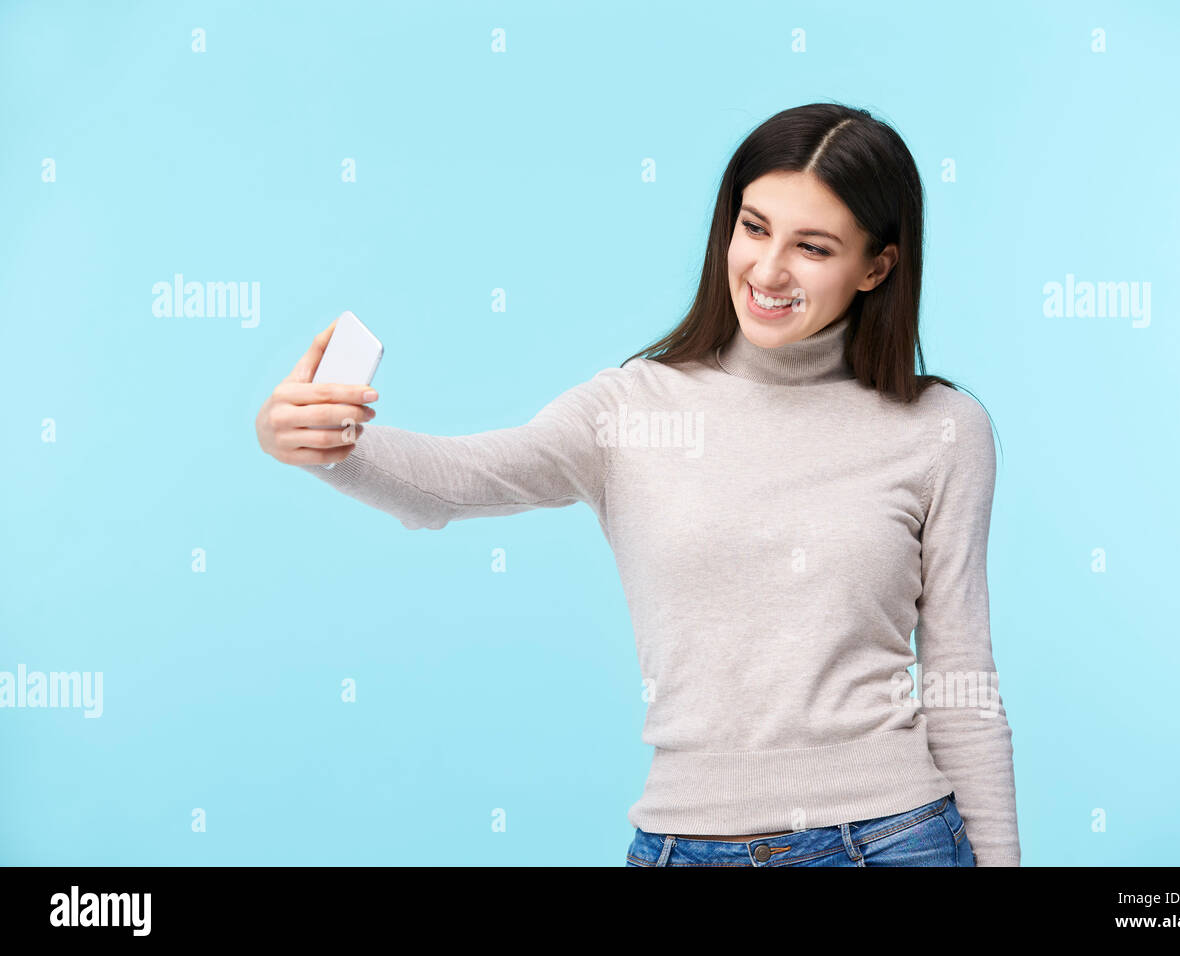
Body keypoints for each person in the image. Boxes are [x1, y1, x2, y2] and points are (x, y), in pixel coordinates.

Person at [255, 102, 1020, 867]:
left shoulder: (942, 429)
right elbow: (455, 483)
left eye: (812, 247)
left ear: (877, 266)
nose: (768, 271)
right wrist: (330, 443)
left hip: (890, 840)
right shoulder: (633, 409)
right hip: (683, 843)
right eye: (754, 228)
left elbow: (963, 685)